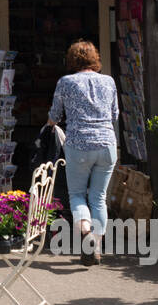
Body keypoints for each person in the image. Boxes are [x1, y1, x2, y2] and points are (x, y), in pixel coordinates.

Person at [46, 40, 118, 266]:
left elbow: (55, 115)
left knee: (77, 194)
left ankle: (85, 231)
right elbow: (115, 115)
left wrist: (49, 125)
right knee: (99, 197)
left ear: (72, 59)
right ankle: (95, 245)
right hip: (107, 144)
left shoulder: (66, 82)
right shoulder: (109, 81)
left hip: (78, 144)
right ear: (95, 58)